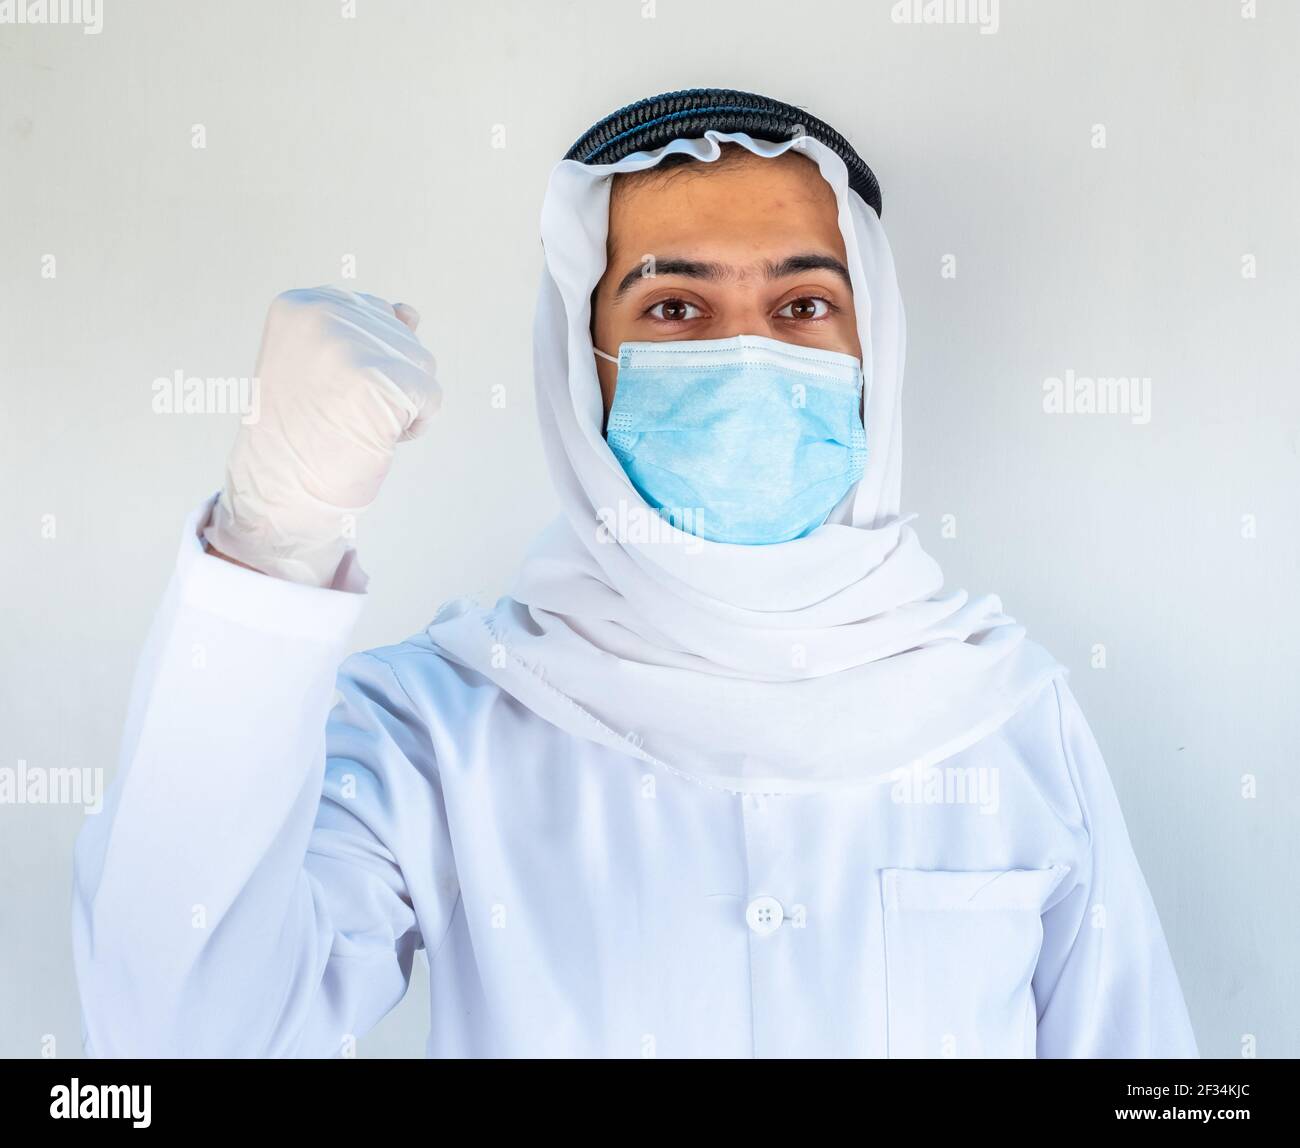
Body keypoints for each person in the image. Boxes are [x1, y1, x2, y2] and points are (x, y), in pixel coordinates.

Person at [71, 88, 1199, 1058]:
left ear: (875, 355)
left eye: (804, 304)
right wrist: (271, 540)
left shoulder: (1007, 713)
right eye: (673, 307)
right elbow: (183, 1034)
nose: (745, 350)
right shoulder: (444, 722)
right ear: (584, 369)